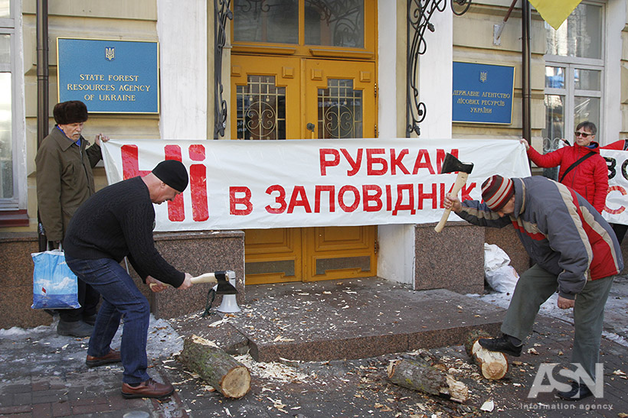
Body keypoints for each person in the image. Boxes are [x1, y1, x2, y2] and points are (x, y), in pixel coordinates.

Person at [445, 175, 623, 401]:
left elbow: (578, 252)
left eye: (502, 209)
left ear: (512, 198)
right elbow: (493, 214)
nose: (501, 215)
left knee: (587, 323)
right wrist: (461, 208)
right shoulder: (513, 200)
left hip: (594, 262)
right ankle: (512, 340)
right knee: (528, 282)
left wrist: (568, 292)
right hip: (558, 258)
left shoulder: (548, 206)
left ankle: (585, 381)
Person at [63, 160, 194, 399]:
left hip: (87, 252)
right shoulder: (138, 202)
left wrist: (146, 275)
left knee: (119, 298)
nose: (172, 200)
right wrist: (177, 278)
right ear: (163, 183)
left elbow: (134, 247)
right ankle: (135, 381)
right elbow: (146, 253)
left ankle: (98, 352)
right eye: (174, 193)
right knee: (136, 306)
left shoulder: (135, 192)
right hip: (87, 256)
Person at [35, 100, 110, 337]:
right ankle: (69, 320)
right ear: (61, 124)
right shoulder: (51, 148)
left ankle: (88, 314)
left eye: (81, 124)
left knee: (89, 270)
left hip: (85, 222)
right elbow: (47, 195)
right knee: (74, 273)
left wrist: (97, 148)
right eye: (75, 124)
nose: (79, 128)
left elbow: (81, 167)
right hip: (68, 225)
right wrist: (55, 235)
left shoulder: (75, 144)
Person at [522, 121, 608, 214]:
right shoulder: (566, 151)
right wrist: (528, 148)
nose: (580, 137)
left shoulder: (598, 160)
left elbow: (601, 189)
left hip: (584, 208)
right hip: (564, 203)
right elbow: (543, 161)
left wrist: (596, 213)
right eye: (578, 133)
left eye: (584, 135)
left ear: (592, 137)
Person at [600, 139, 628, 244]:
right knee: (617, 236)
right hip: (622, 204)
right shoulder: (623, 145)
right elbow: (598, 153)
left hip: (622, 203)